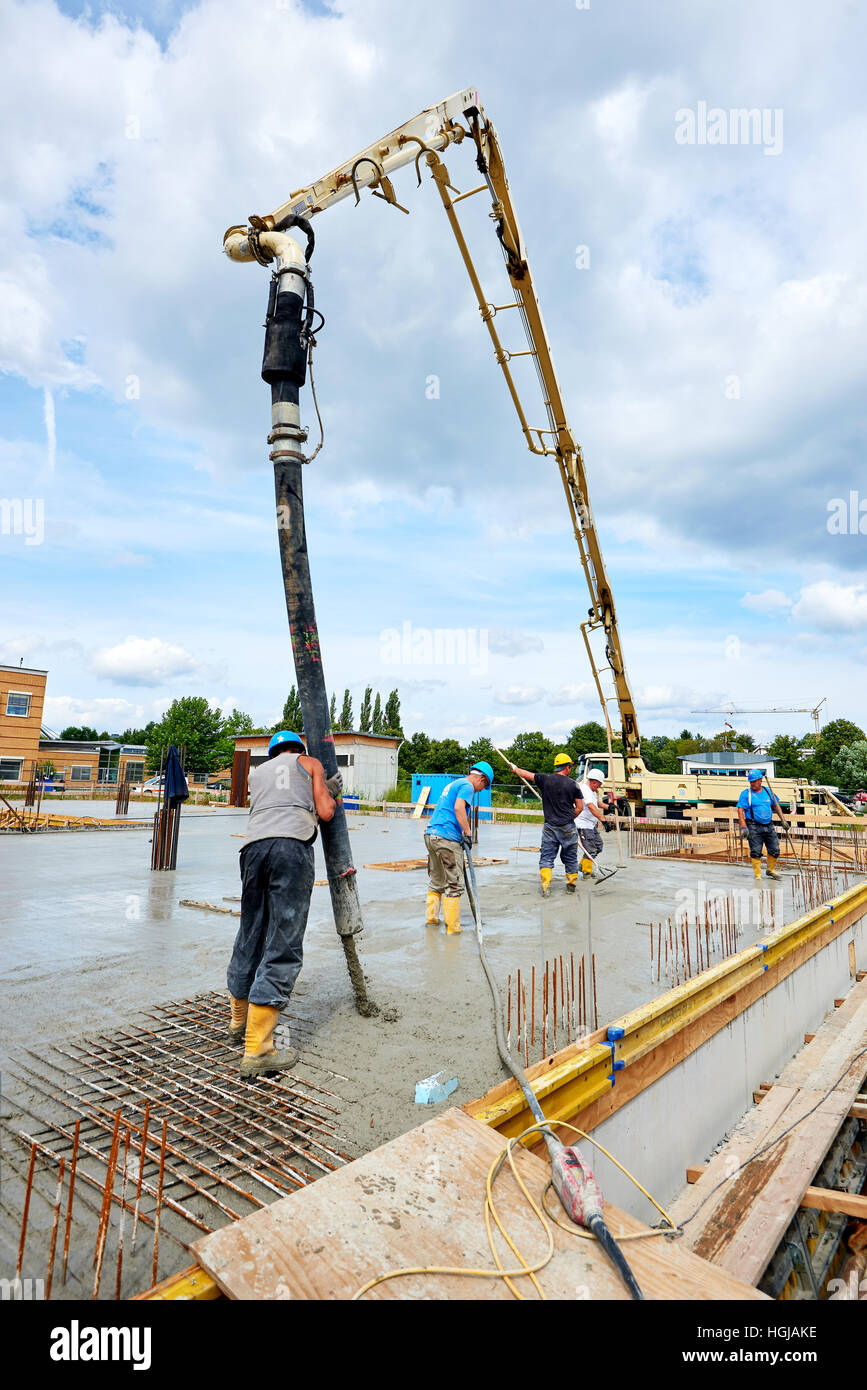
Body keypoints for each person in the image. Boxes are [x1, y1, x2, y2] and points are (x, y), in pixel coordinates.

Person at [227, 730, 342, 1077]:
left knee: (251, 932)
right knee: (284, 941)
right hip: (290, 849)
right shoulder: (310, 763)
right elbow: (326, 812)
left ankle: (238, 1021)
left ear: (273, 752)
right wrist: (328, 791)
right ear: (298, 749)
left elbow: (274, 805)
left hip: (252, 850)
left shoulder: (257, 773)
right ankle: (258, 1050)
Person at [424, 761, 494, 934]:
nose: (479, 791)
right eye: (482, 787)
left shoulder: (454, 783)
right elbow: (458, 807)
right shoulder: (468, 786)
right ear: (482, 779)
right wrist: (468, 833)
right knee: (454, 884)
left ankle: (432, 922)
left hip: (431, 835)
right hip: (446, 839)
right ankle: (453, 930)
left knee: (436, 882)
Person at [507, 752, 584, 895]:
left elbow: (526, 774)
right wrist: (568, 817)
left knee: (547, 857)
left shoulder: (545, 779)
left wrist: (515, 768)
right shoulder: (573, 785)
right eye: (570, 767)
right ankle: (571, 885)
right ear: (567, 767)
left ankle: (546, 887)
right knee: (571, 857)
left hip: (550, 827)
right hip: (568, 827)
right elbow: (580, 807)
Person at [737, 768, 786, 881]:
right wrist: (743, 827)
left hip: (768, 825)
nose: (752, 784)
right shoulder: (746, 794)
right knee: (756, 851)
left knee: (775, 849)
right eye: (751, 782)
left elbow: (776, 806)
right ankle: (758, 875)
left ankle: (770, 870)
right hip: (753, 825)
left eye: (754, 781)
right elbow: (740, 810)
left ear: (760, 780)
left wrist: (783, 820)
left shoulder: (768, 792)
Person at [575, 767, 608, 877]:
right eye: (599, 784)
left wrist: (609, 807)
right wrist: (603, 820)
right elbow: (591, 806)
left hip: (590, 825)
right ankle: (587, 873)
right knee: (591, 850)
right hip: (583, 825)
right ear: (594, 782)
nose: (599, 787)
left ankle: (582, 865)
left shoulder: (591, 791)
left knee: (598, 846)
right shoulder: (584, 790)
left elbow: (596, 803)